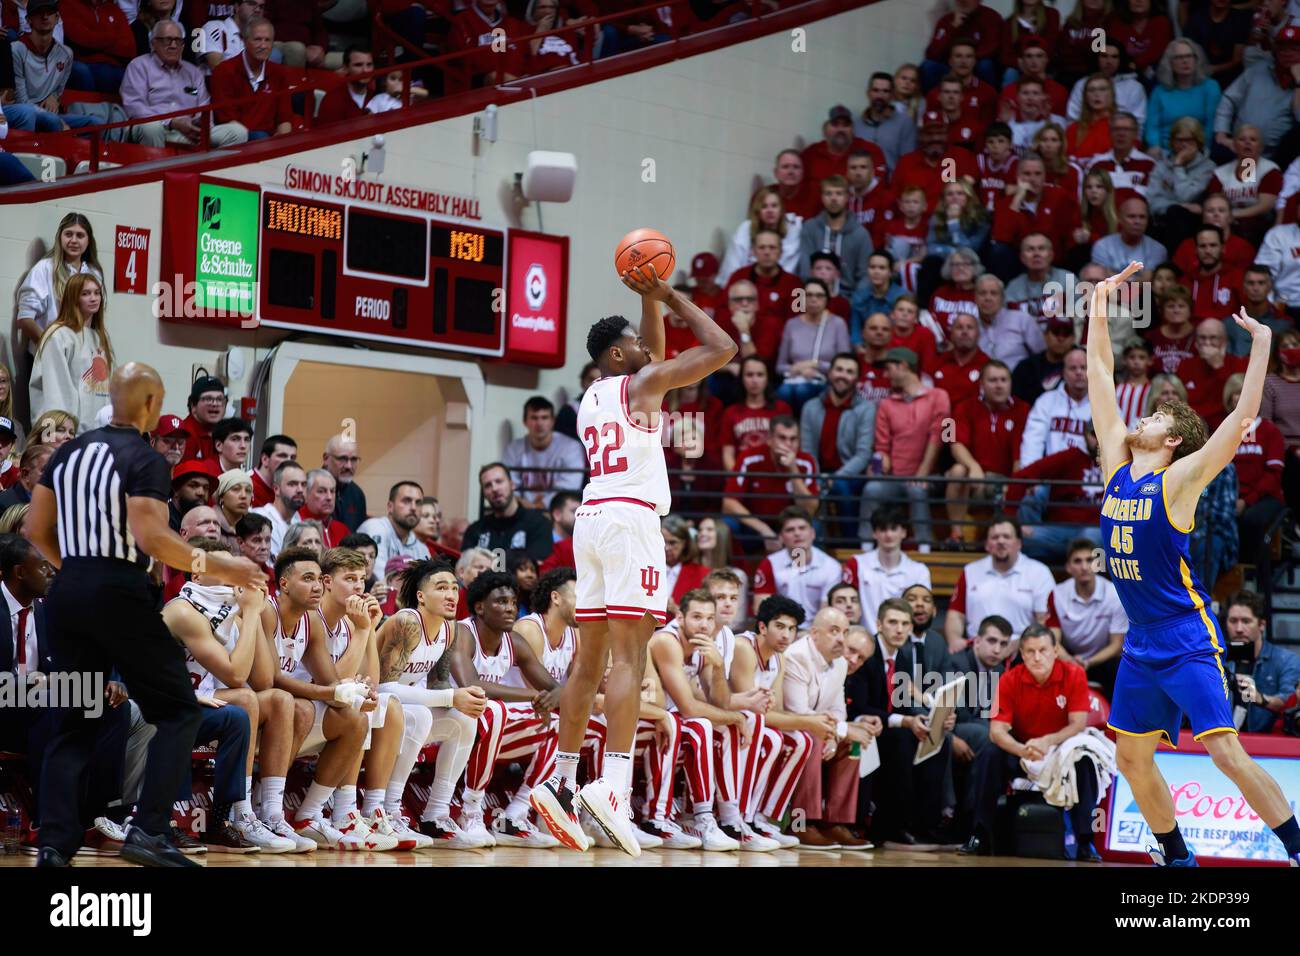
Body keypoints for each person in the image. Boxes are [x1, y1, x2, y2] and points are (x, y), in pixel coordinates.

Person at [1086, 260, 1300, 866]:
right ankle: (1177, 858)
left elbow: (1239, 421)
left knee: (1226, 753)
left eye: (1155, 417)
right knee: (1130, 758)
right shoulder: (1117, 470)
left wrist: (1259, 345)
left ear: (1173, 438)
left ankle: (1296, 847)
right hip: (1141, 639)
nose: (1142, 417)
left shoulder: (1179, 480)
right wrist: (1100, 304)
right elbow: (1100, 371)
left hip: (1186, 633)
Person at [525, 262, 736, 857]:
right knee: (628, 657)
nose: (647, 349)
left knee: (586, 665)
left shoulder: (594, 394)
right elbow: (723, 346)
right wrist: (669, 293)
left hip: (590, 522)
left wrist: (647, 304)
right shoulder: (642, 386)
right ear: (617, 356)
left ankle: (563, 783)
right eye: (635, 346)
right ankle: (612, 788)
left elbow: (653, 351)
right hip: (631, 522)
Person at [28, 363, 265, 868]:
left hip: (67, 594)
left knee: (74, 722)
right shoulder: (144, 455)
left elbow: (34, 529)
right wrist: (220, 562)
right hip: (119, 590)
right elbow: (154, 538)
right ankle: (150, 831)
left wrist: (73, 572)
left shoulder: (66, 453)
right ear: (153, 403)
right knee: (178, 711)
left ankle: (54, 845)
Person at [162, 536, 303, 853]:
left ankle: (268, 813)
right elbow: (238, 676)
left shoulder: (228, 610)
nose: (235, 577)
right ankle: (240, 813)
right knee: (244, 700)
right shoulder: (184, 610)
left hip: (206, 698)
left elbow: (264, 679)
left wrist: (257, 617)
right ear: (196, 574)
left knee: (279, 700)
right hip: (170, 703)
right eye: (224, 568)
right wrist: (251, 614)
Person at [258, 546, 373, 849]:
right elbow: (270, 679)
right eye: (307, 579)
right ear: (283, 584)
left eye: (317, 580)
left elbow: (330, 680)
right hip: (248, 702)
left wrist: (355, 696)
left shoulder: (311, 621)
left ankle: (309, 814)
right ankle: (266, 809)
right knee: (297, 708)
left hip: (287, 709)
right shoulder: (266, 612)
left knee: (356, 719)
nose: (316, 587)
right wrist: (334, 692)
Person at [958, 625, 1101, 859]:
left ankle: (1085, 842)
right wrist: (1023, 750)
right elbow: (997, 730)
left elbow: (1078, 724)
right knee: (989, 754)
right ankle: (980, 834)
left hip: (1060, 749)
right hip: (1023, 748)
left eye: (1043, 650)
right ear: (1022, 654)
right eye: (1030, 651)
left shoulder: (1074, 674)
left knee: (1084, 761)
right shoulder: (1009, 679)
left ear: (1055, 651)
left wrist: (1047, 741)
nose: (1037, 657)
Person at [375, 558, 488, 847]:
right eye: (441, 588)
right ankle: (389, 811)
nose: (451, 595)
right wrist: (452, 696)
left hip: (404, 709)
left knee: (464, 720)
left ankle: (436, 815)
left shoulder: (450, 629)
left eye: (454, 587)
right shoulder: (406, 621)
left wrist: (467, 699)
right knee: (422, 716)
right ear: (421, 596)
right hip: (372, 705)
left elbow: (439, 685)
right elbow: (386, 686)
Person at [845, 596, 951, 848]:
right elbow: (860, 707)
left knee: (938, 740)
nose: (900, 629)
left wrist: (926, 718)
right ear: (879, 624)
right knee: (903, 740)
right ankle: (890, 827)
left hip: (888, 725)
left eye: (905, 623)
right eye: (893, 622)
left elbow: (901, 702)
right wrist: (905, 721)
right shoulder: (866, 654)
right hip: (862, 723)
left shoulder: (901, 656)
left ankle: (926, 825)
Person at [727, 596, 827, 847]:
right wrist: (809, 721)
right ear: (762, 627)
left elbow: (778, 711)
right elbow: (751, 708)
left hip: (755, 721)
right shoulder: (744, 647)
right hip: (729, 718)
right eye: (780, 626)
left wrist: (813, 723)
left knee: (801, 741)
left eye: (792, 629)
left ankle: (764, 817)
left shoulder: (779, 658)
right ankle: (739, 817)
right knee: (766, 732)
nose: (787, 635)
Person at [783, 606, 876, 849]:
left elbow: (837, 709)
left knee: (855, 742)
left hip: (816, 728)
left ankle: (836, 822)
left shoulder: (840, 663)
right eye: (834, 631)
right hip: (786, 728)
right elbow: (798, 713)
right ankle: (801, 824)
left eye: (844, 632)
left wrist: (836, 736)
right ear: (814, 633)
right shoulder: (796, 656)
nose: (840, 639)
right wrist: (836, 731)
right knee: (811, 740)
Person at [859, 346, 950, 548]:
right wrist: (876, 468)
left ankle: (925, 548)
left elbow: (940, 436)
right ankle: (865, 547)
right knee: (872, 488)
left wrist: (922, 474)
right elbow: (881, 446)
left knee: (916, 490)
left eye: (888, 368)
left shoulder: (939, 396)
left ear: (903, 366)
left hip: (930, 476)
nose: (885, 374)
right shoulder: (886, 404)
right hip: (896, 477)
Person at [121, 17, 248, 147]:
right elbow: (135, 107)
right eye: (167, 40)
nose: (173, 45)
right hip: (159, 129)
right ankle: (161, 167)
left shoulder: (194, 72)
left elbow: (204, 107)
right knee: (150, 127)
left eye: (178, 40)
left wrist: (200, 126)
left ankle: (212, 166)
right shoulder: (139, 66)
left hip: (189, 132)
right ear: (153, 44)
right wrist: (171, 122)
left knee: (238, 132)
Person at [944, 518, 1054, 651]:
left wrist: (1020, 644)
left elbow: (1043, 621)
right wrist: (954, 639)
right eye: (995, 537)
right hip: (976, 650)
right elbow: (955, 614)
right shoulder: (970, 571)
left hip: (1022, 651)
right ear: (986, 545)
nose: (1001, 541)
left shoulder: (1039, 572)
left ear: (1019, 543)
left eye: (1007, 537)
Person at [1046, 537, 1128, 697]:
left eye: (1089, 560)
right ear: (1068, 567)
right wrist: (1070, 661)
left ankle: (1117, 720)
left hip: (1101, 660)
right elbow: (1052, 641)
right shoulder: (1056, 594)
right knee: (1044, 660)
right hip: (1067, 658)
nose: (1084, 567)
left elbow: (1116, 645)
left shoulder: (1114, 594)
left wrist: (1088, 662)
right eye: (1077, 561)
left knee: (1120, 666)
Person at [841, 506, 931, 635]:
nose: (888, 535)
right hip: (865, 642)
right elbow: (845, 605)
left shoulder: (919, 571)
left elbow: (922, 614)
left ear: (904, 532)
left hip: (904, 642)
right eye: (883, 529)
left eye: (894, 529)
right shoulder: (856, 564)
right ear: (874, 533)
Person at [1221, 590, 1300, 734]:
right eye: (1233, 621)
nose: (1239, 629)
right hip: (1223, 741)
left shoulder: (1286, 660)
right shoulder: (1216, 660)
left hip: (1268, 744)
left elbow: (1291, 703)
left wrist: (1260, 698)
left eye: (1246, 621)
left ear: (1261, 624)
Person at [210, 17, 295, 140]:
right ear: (244, 41)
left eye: (268, 40)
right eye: (257, 40)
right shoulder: (224, 72)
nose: (263, 45)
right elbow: (229, 122)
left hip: (269, 140)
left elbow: (285, 119)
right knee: (259, 136)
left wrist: (280, 143)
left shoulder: (279, 72)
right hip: (237, 140)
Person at [749, 506, 841, 619]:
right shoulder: (769, 564)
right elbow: (761, 609)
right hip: (781, 630)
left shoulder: (831, 567)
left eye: (802, 528)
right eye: (790, 530)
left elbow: (827, 614)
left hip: (817, 631)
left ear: (812, 533)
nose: (797, 533)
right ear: (781, 537)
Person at [503, 396, 587, 509]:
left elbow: (569, 488)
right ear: (525, 421)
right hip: (521, 510)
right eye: (534, 418)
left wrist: (540, 505)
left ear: (553, 421)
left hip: (557, 510)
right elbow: (509, 486)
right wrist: (524, 505)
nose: (539, 423)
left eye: (544, 417)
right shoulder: (513, 449)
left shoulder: (571, 448)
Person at [458, 464, 553, 562]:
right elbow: (465, 569)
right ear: (484, 493)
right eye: (488, 485)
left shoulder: (538, 523)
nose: (494, 488)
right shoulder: (475, 530)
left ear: (512, 485)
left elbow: (538, 565)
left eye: (499, 481)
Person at [1145, 38, 1221, 157]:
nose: (1185, 61)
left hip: (1199, 150)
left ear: (1196, 60)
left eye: (1189, 56)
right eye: (1179, 57)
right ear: (1170, 63)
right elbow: (1152, 126)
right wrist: (1155, 145)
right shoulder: (1159, 91)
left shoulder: (1210, 87)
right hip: (1166, 151)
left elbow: (1211, 124)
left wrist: (1201, 148)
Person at [718, 186, 802, 280]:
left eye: (774, 206)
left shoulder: (793, 229)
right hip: (748, 286)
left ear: (781, 210)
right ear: (758, 211)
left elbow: (789, 269)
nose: (770, 211)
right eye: (764, 206)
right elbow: (732, 268)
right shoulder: (745, 229)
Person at [357, 480, 431, 569]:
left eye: (418, 503)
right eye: (406, 501)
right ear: (390, 507)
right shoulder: (376, 527)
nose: (413, 508)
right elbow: (378, 573)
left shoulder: (421, 549)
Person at [250, 460, 305, 557]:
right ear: (276, 489)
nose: (300, 490)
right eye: (292, 484)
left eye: (303, 484)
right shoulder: (259, 518)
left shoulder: (298, 520)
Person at [320, 432, 363, 530]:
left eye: (354, 459)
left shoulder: (357, 494)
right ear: (326, 458)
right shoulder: (308, 487)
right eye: (342, 459)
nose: (349, 466)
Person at [250, 433, 294, 509]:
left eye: (293, 457)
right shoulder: (246, 484)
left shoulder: (288, 487)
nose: (289, 461)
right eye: (282, 456)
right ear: (265, 459)